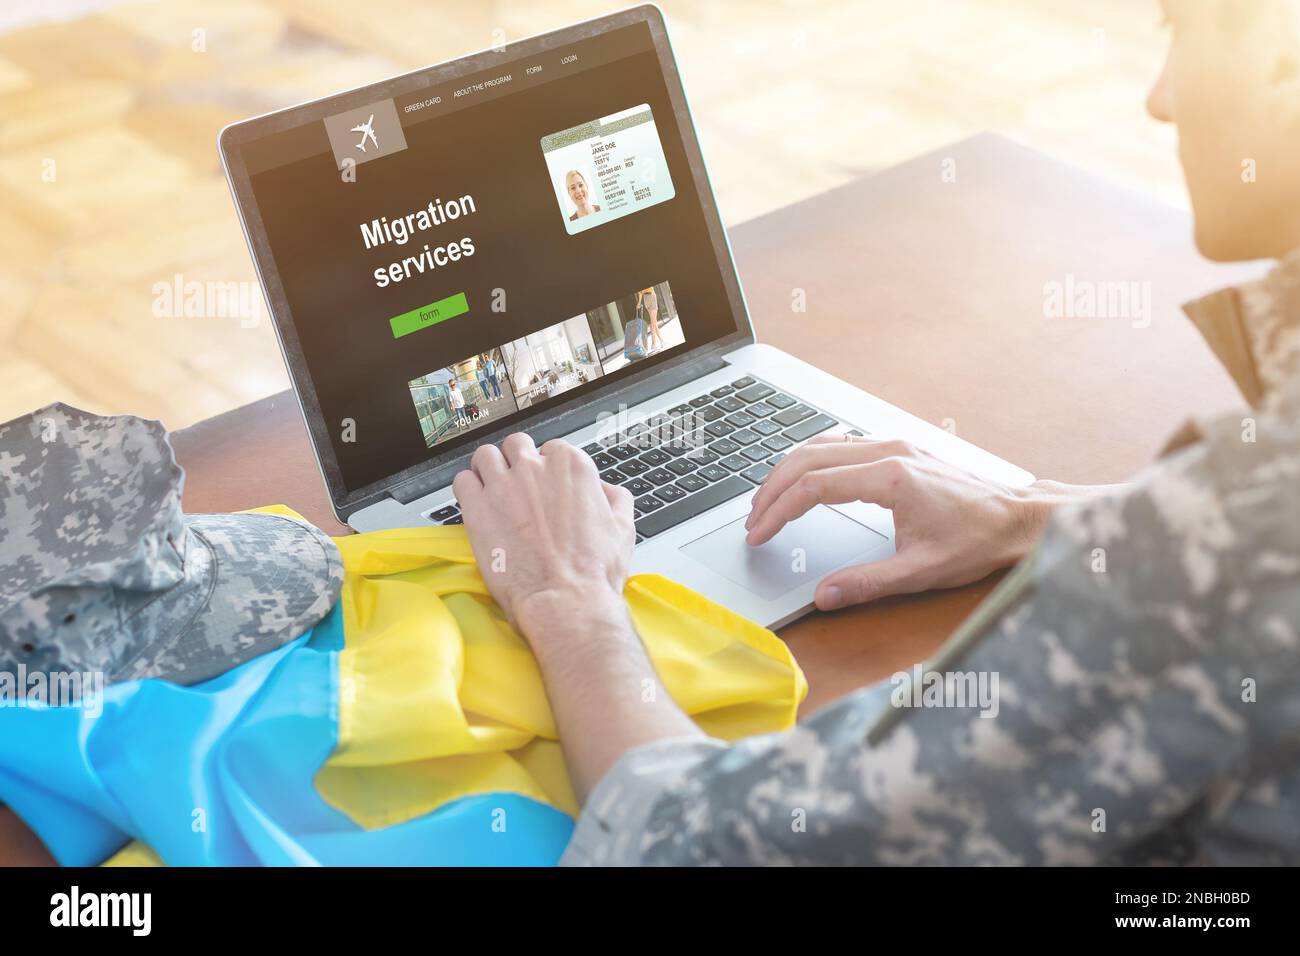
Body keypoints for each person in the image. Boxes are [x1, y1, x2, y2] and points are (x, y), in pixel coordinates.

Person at [455, 0, 1300, 865]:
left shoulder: (1224, 554)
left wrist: (570, 600)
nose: (1161, 100)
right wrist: (1026, 514)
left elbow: (701, 848)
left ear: (1282, 62)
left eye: (1176, 27)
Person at [639, 287, 662, 353]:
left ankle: (661, 340)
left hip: (645, 298)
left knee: (654, 322)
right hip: (651, 296)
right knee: (653, 323)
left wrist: (639, 303)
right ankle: (653, 344)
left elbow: (640, 293)